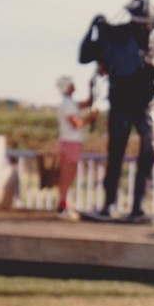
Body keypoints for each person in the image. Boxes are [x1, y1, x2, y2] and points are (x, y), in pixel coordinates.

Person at [78, 0, 154, 222]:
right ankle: (108, 205)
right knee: (115, 154)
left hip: (146, 105)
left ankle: (137, 208)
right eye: (140, 22)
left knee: (148, 152)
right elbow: (84, 56)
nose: (145, 27)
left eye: (148, 23)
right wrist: (93, 27)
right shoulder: (115, 36)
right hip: (120, 103)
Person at [55, 75, 98, 220]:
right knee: (67, 175)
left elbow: (88, 103)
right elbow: (76, 124)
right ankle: (62, 206)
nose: (73, 84)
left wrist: (91, 88)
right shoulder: (67, 104)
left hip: (71, 143)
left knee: (68, 175)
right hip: (70, 143)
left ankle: (64, 204)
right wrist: (90, 118)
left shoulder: (70, 102)